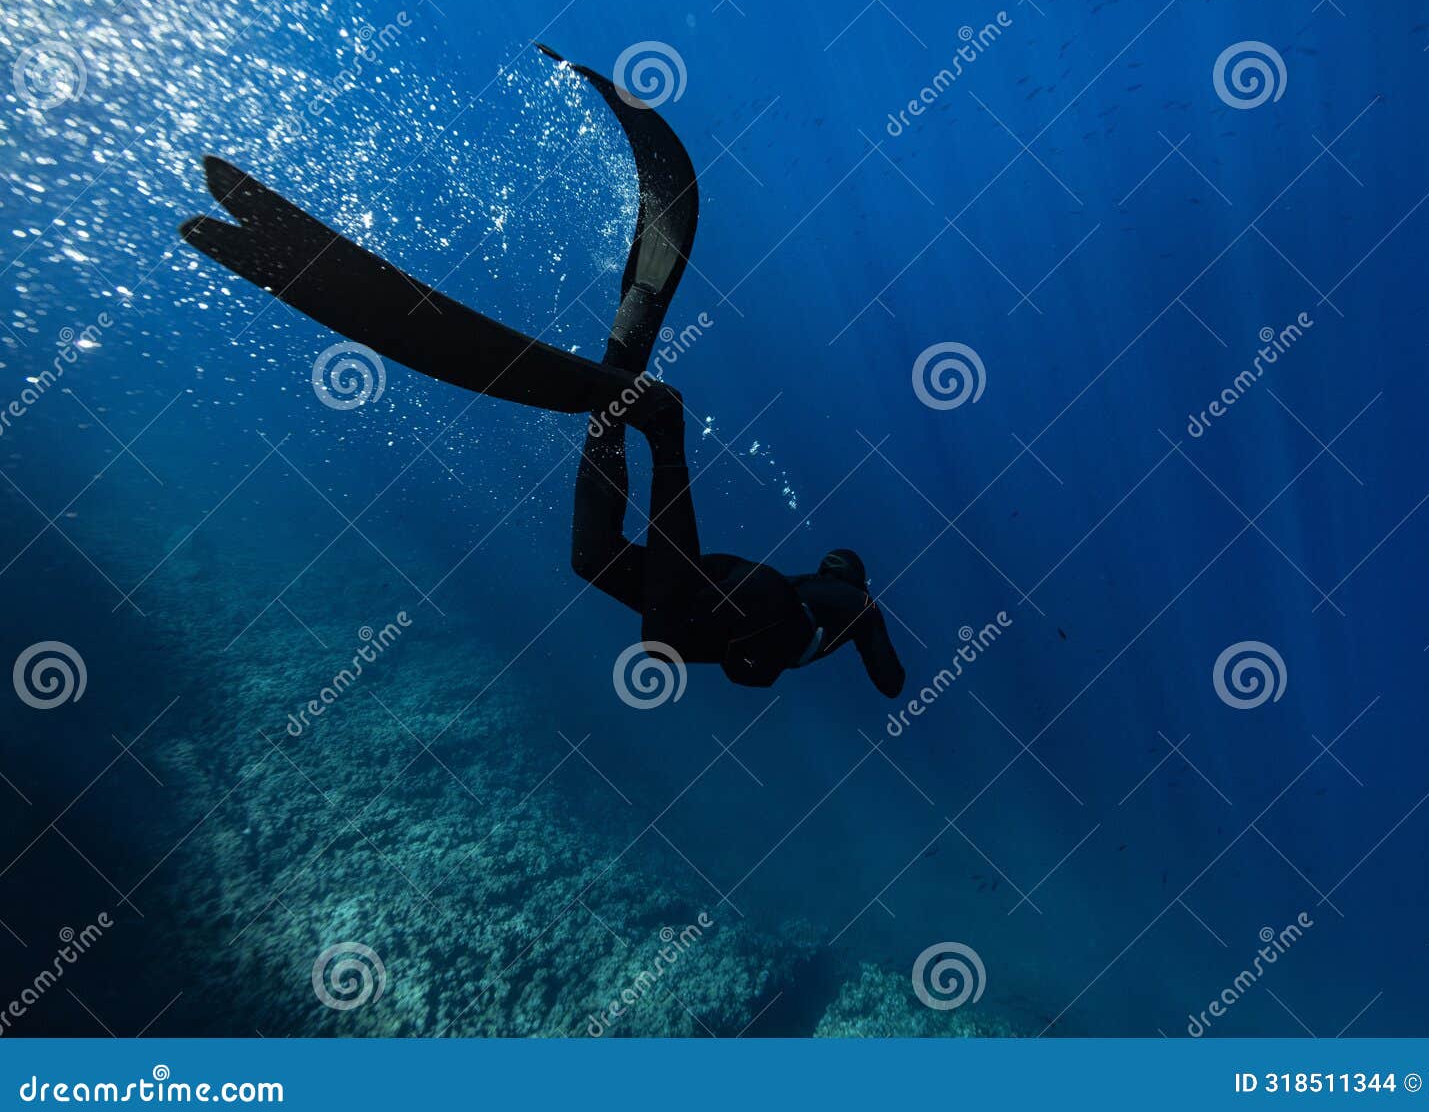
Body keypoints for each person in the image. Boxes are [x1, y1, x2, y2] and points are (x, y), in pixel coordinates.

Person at [179, 45, 905, 697]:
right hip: (687, 629)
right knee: (591, 558)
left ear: (848, 575)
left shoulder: (855, 606)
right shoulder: (841, 613)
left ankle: (633, 391)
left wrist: (869, 629)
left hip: (714, 613)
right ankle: (621, 389)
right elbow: (890, 685)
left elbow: (890, 676)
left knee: (662, 410)